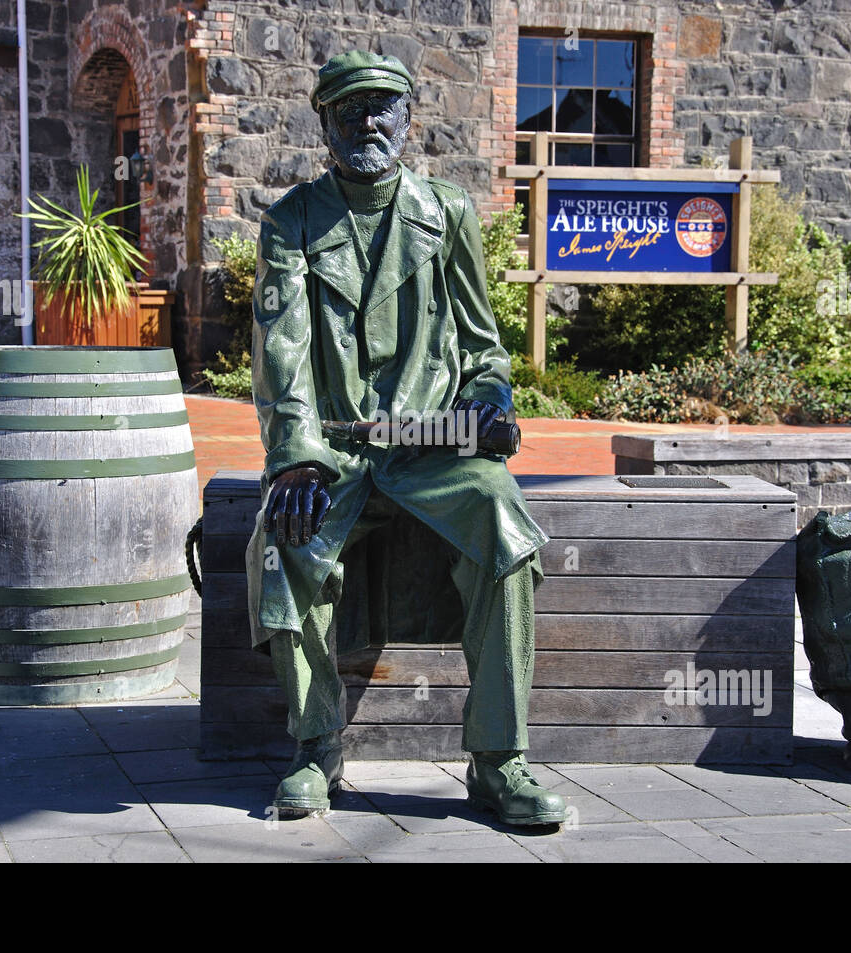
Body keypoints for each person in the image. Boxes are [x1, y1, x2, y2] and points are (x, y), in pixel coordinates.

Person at [245, 50, 567, 827]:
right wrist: (294, 456)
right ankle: (316, 744)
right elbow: (279, 349)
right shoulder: (291, 222)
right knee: (282, 543)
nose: (367, 123)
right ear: (323, 121)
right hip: (336, 446)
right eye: (349, 109)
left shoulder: (447, 213)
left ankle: (498, 759)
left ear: (408, 119)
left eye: (383, 107)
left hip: (432, 445)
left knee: (506, 526)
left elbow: (484, 347)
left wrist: (490, 402)